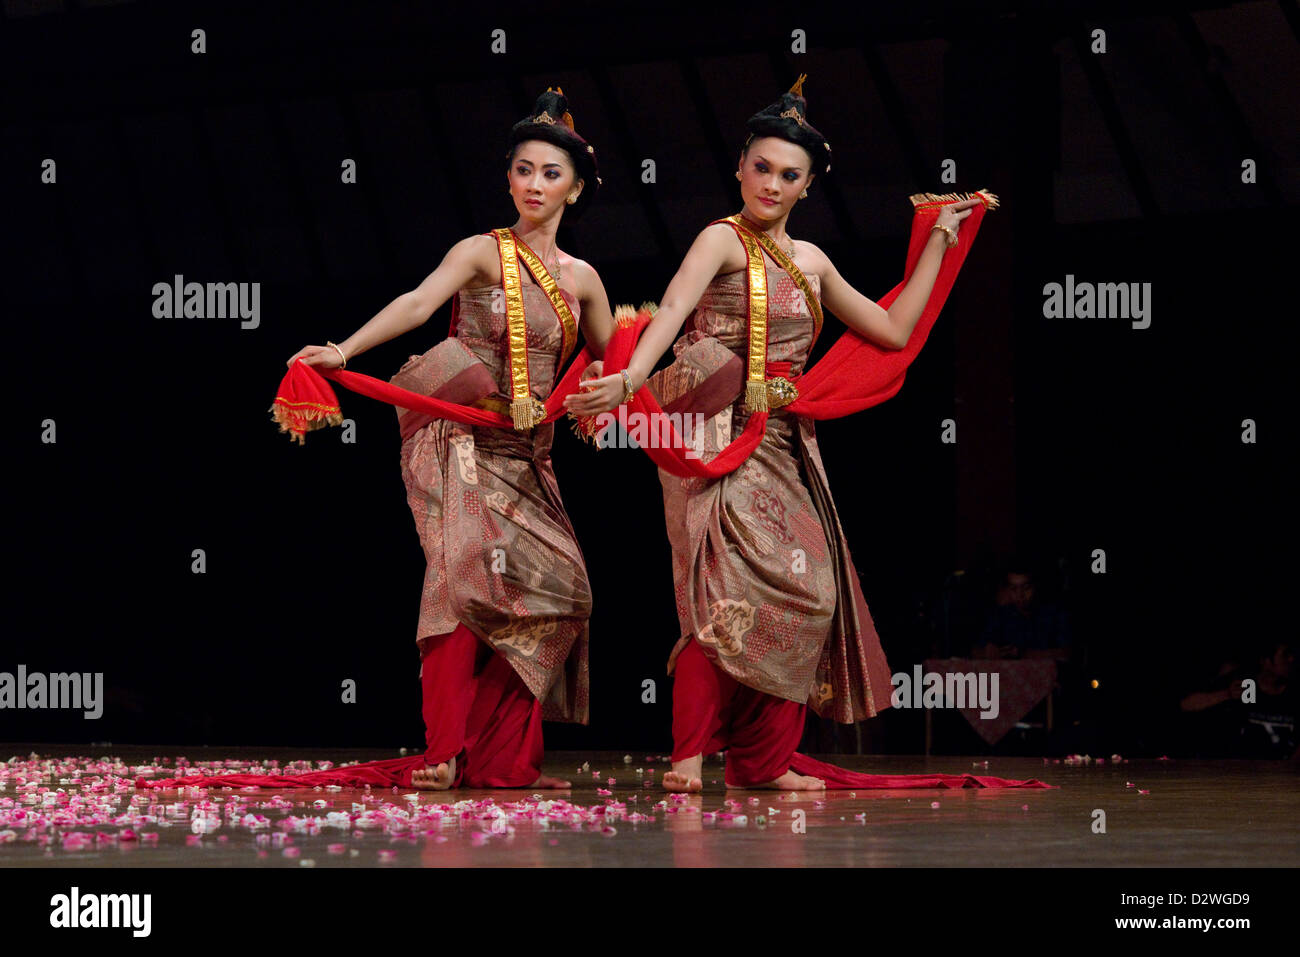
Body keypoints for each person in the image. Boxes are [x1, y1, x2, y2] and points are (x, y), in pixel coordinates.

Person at [564, 77, 1038, 793]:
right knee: (718, 597)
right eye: (762, 167)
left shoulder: (812, 262)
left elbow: (893, 329)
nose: (772, 183)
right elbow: (669, 316)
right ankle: (689, 757)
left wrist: (939, 242)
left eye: (790, 174)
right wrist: (628, 383)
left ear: (808, 185)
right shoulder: (718, 239)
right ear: (740, 167)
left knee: (811, 592)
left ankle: (764, 758)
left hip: (786, 443)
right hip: (711, 439)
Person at [139, 89, 615, 795]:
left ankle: (499, 758)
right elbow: (420, 304)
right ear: (508, 178)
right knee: (461, 583)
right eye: (523, 169)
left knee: (563, 592)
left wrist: (616, 388)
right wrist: (344, 347)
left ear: (575, 188)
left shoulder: (584, 280)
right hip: (459, 439)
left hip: (528, 452)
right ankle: (442, 751)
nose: (534, 184)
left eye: (550, 173)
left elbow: (614, 358)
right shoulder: (483, 252)